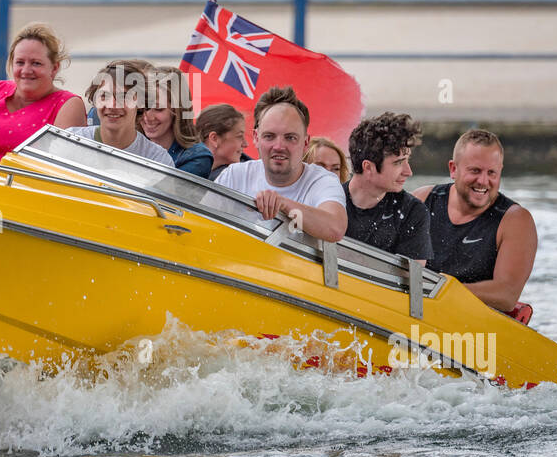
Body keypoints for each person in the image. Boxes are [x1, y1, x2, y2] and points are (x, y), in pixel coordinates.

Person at [413, 129, 537, 319]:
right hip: (416, 316)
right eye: (475, 171)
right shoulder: (422, 200)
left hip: (473, 330)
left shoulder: (515, 221)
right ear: (453, 169)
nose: (483, 181)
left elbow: (506, 295)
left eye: (492, 173)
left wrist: (441, 290)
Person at [214, 86, 346, 242]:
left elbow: (335, 228)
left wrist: (282, 204)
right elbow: (201, 221)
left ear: (305, 142)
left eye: (290, 138)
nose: (279, 146)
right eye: (269, 136)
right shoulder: (235, 175)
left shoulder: (322, 181)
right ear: (256, 138)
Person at [0, 22, 85, 164]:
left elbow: (60, 167)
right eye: (20, 62)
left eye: (36, 63)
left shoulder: (67, 105)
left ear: (54, 68)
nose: (26, 70)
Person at [343, 113, 433, 263]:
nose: (408, 172)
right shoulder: (327, 202)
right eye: (398, 163)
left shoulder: (413, 212)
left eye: (407, 160)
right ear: (368, 167)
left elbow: (413, 282)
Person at [68, 59, 174, 167]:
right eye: (104, 95)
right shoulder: (70, 142)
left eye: (123, 96)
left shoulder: (158, 160)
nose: (112, 105)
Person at [139, 65, 209, 176]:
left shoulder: (197, 157)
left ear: (178, 111)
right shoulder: (132, 145)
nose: (148, 117)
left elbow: (160, 190)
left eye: (158, 109)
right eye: (144, 107)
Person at [191, 104, 249, 180]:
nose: (245, 144)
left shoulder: (246, 177)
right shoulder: (181, 169)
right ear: (214, 138)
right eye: (239, 136)